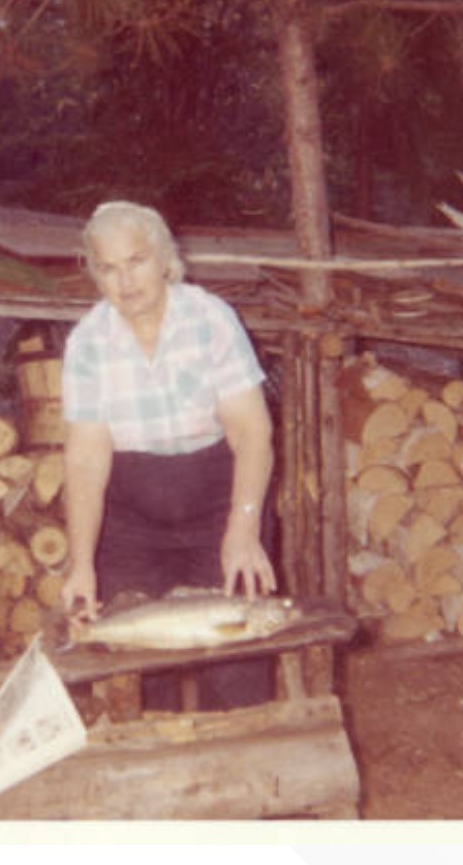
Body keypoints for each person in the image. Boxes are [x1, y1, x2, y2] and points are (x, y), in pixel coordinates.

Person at [57, 200, 278, 711]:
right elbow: (86, 462)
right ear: (95, 274)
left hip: (218, 504)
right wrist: (82, 562)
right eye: (108, 269)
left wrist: (243, 530)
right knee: (140, 667)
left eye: (135, 261)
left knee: (236, 657)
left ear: (163, 259)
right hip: (132, 521)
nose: (125, 281)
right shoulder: (88, 342)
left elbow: (251, 432)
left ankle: (243, 775)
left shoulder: (211, 319)